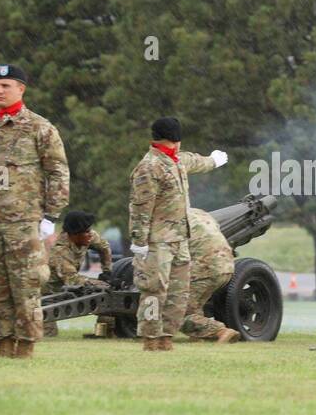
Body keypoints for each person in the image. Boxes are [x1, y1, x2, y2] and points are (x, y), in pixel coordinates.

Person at [0, 64, 70, 359]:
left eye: (6, 86)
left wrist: (50, 217)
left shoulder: (40, 128)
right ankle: (4, 343)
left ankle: (26, 344)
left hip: (25, 221)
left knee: (26, 283)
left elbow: (58, 173)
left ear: (21, 89)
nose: (0, 91)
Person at [128, 117, 227, 351]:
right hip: (157, 241)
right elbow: (140, 207)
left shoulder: (176, 161)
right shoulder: (149, 167)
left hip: (180, 239)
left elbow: (195, 161)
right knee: (154, 290)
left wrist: (213, 161)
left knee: (178, 293)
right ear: (177, 140)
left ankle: (166, 337)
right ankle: (151, 339)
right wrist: (139, 241)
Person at [42, 210, 113, 337]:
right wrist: (98, 283)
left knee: (107, 295)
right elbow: (72, 280)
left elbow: (104, 247)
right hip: (46, 295)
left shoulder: (87, 236)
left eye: (89, 230)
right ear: (74, 235)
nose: (90, 235)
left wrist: (107, 271)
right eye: (86, 232)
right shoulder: (60, 252)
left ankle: (106, 331)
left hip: (65, 289)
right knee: (47, 333)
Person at [179, 208, 241, 343]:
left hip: (205, 268)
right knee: (193, 305)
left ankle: (221, 331)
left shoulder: (170, 219)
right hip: (226, 266)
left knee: (177, 311)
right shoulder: (200, 213)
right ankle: (196, 337)